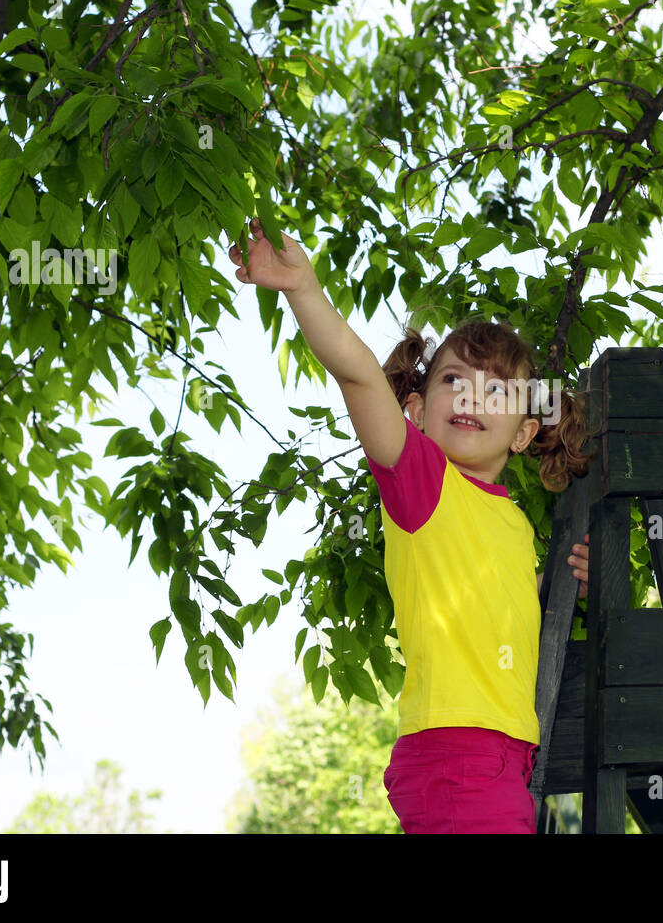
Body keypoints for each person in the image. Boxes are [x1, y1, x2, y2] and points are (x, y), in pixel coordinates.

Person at [229, 218, 595, 833]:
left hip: (505, 752)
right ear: (419, 412)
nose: (472, 399)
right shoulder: (422, 480)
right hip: (457, 749)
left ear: (527, 432)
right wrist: (303, 291)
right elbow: (359, 376)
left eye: (497, 392)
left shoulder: (510, 522)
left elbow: (504, 613)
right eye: (455, 380)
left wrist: (567, 588)